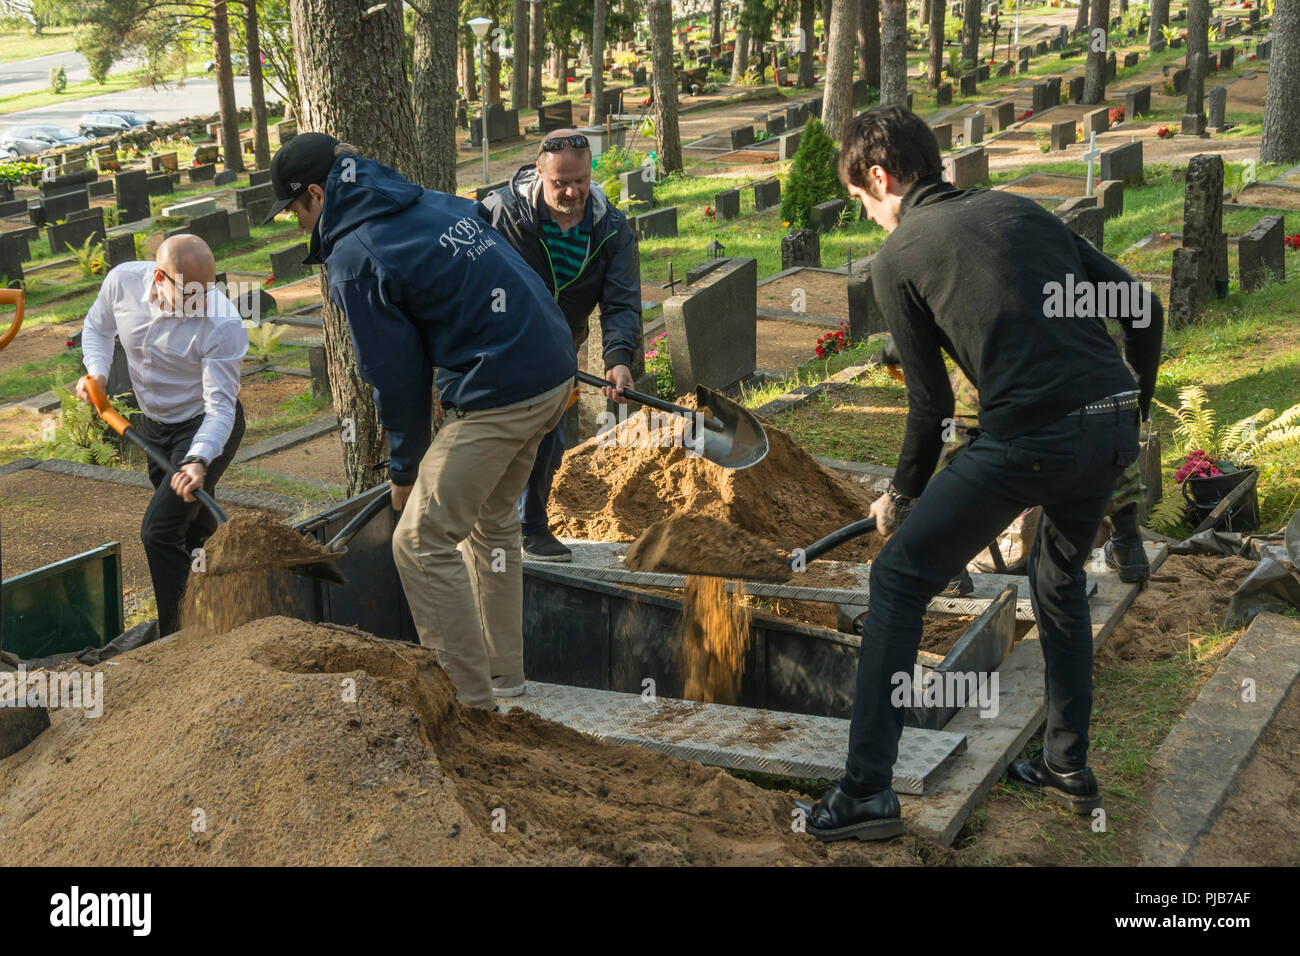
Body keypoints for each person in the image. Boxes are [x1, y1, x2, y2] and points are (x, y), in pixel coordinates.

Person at [796, 107, 1162, 842]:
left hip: (1032, 435)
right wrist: (1129, 413)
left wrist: (901, 494)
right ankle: (1066, 767)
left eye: (866, 203)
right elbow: (1144, 311)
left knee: (898, 578)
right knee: (1057, 585)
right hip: (1110, 425)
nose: (871, 219)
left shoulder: (899, 255)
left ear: (880, 176)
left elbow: (930, 405)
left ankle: (867, 790)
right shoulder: (1021, 213)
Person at [264, 132, 577, 709]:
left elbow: (396, 376)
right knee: (492, 525)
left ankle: (467, 707)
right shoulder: (425, 200)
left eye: (294, 210)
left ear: (316, 193)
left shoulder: (357, 255)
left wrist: (405, 469)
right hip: (553, 368)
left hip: (505, 388)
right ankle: (506, 682)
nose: (294, 224)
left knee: (420, 541)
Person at [478, 129, 641, 562]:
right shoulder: (500, 213)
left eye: (581, 181)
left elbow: (621, 301)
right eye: (559, 183)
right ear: (539, 173)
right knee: (490, 435)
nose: (572, 191)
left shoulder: (612, 229)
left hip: (560, 350)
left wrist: (619, 358)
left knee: (550, 437)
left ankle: (532, 525)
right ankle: (478, 522)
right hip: (498, 345)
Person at [870, 336, 1152, 584]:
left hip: (1010, 369)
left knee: (953, 443)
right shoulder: (1064, 279)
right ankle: (1129, 546)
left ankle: (946, 562)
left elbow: (924, 326)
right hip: (1093, 374)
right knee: (1109, 442)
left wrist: (896, 346)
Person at [76, 235, 248, 636]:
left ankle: (178, 637)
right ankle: (223, 615)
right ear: (158, 278)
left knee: (159, 532)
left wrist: (198, 459)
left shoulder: (221, 322)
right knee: (195, 527)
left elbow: (221, 409)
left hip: (203, 426)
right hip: (155, 428)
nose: (199, 303)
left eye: (205, 292)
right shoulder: (122, 282)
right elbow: (96, 328)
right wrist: (98, 372)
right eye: (189, 294)